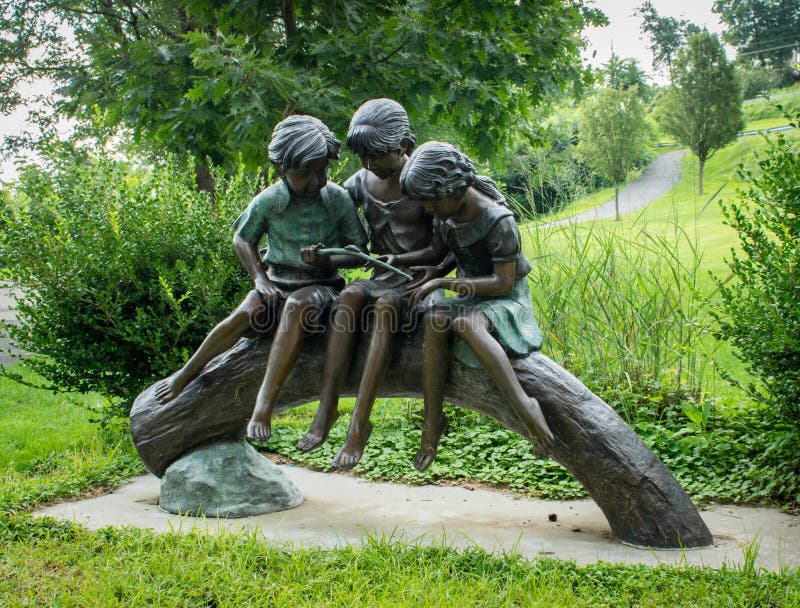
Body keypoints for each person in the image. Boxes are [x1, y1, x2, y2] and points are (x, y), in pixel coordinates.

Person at [156, 115, 368, 444]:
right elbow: (242, 240)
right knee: (243, 315)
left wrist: (327, 257)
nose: (316, 180)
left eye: (322, 170)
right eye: (306, 173)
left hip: (321, 287)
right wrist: (259, 278)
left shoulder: (338, 199)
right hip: (276, 281)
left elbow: (359, 251)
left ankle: (264, 405)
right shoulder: (269, 201)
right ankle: (185, 374)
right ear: (283, 169)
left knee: (297, 306)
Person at [297, 98, 451, 470]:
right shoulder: (360, 183)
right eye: (363, 157)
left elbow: (439, 251)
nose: (368, 165)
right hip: (380, 275)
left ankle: (359, 423)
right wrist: (320, 253)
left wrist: (403, 263)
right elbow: (332, 220)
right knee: (349, 295)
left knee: (383, 309)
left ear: (404, 147)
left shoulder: (423, 181)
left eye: (376, 156)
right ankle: (327, 406)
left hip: (416, 281)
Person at [394, 141, 555, 471]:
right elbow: (445, 254)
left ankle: (526, 406)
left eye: (429, 201)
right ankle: (432, 422)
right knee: (435, 319)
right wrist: (418, 266)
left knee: (467, 323)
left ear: (449, 187)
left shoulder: (498, 220)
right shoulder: (446, 216)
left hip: (505, 300)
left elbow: (503, 282)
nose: (427, 209)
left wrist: (443, 283)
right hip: (472, 297)